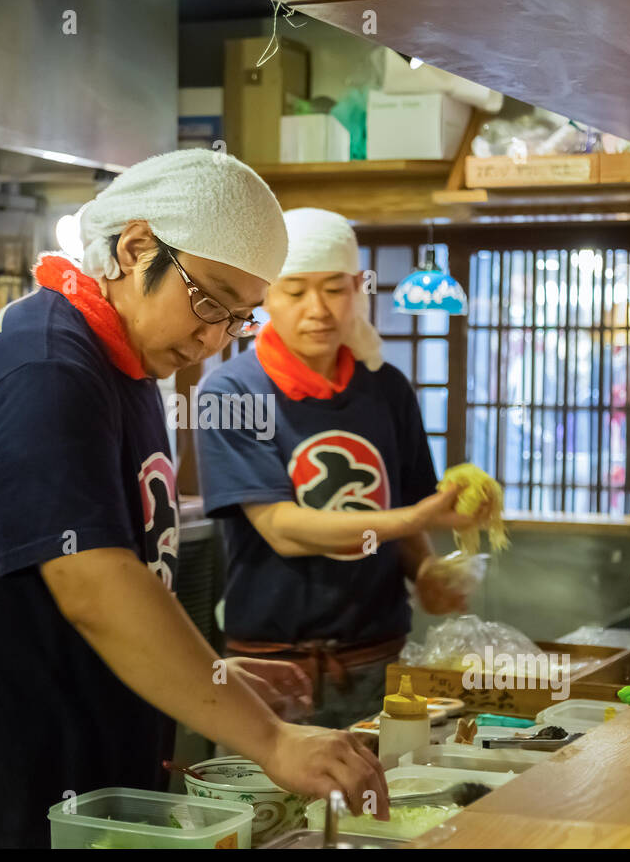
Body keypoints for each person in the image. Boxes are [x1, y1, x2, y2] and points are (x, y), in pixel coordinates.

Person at [0, 151, 390, 848]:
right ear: (134, 246)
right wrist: (267, 738)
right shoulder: (47, 363)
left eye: (238, 318)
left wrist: (210, 680)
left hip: (43, 771)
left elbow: (105, 584)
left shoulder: (121, 359)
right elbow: (95, 587)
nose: (213, 338)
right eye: (207, 300)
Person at [194, 208, 488, 729]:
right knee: (270, 809)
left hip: (380, 661)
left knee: (385, 807)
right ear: (265, 294)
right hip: (268, 667)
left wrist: (424, 572)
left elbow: (404, 509)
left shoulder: (386, 388)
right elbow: (283, 530)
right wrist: (416, 521)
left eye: (334, 289)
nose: (318, 310)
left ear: (358, 287)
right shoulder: (231, 391)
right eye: (295, 290)